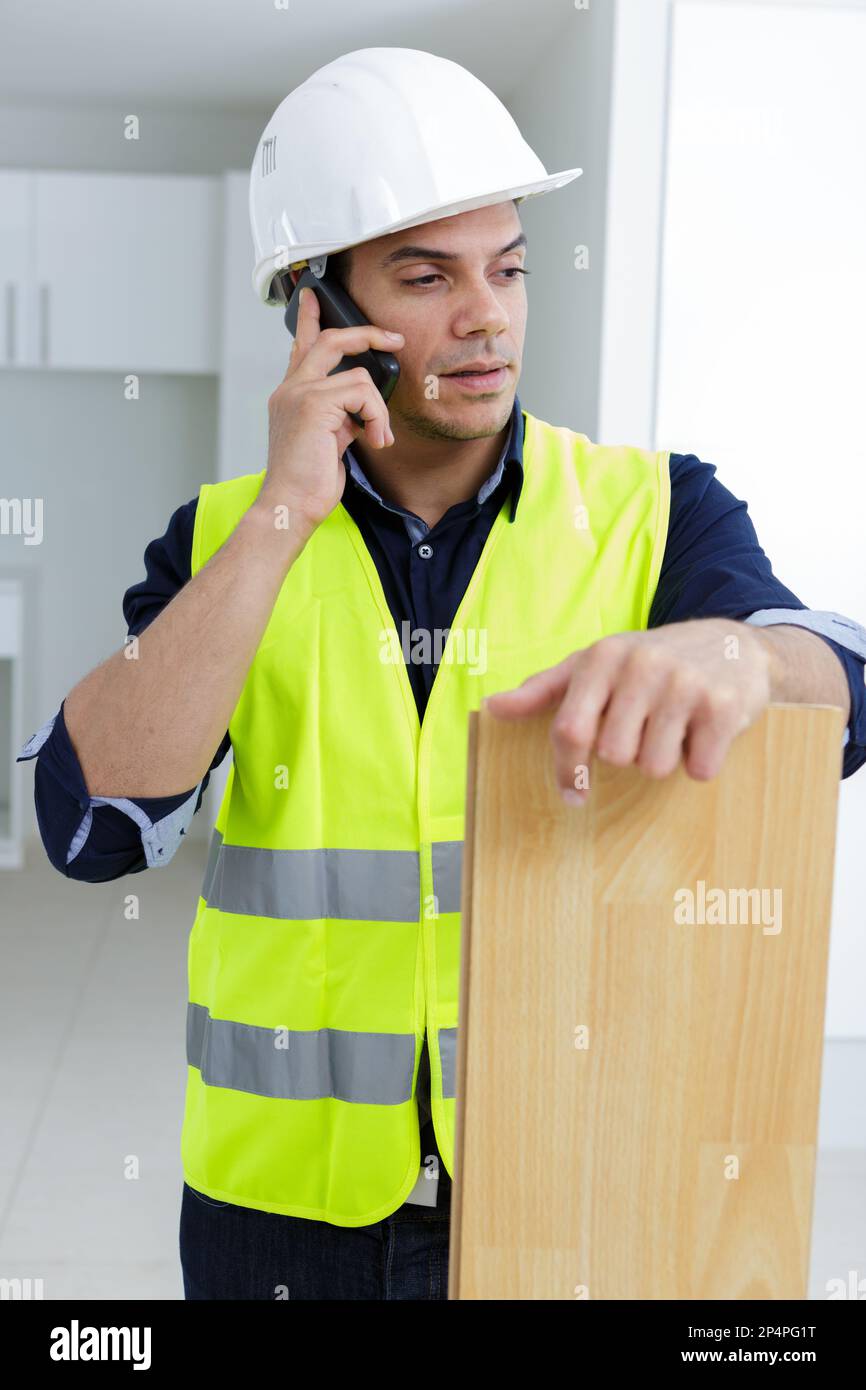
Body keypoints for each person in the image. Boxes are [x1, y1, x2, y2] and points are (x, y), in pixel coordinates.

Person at [19, 49, 866, 1300]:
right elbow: (90, 828)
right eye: (427, 276)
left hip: (563, 1180)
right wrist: (282, 517)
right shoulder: (217, 542)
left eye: (508, 269)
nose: (488, 315)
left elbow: (833, 683)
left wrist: (736, 651)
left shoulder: (652, 512)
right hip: (281, 1217)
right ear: (317, 310)